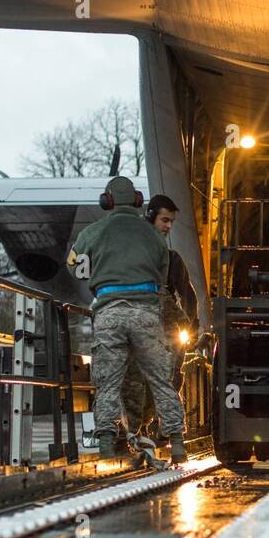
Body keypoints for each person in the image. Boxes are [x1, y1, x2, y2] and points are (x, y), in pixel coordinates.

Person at [68, 177, 186, 463]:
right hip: (145, 312)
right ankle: (177, 443)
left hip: (109, 313)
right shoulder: (155, 236)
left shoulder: (93, 232)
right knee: (160, 379)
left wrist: (100, 279)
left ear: (106, 201)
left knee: (108, 381)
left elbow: (74, 265)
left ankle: (108, 444)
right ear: (136, 200)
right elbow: (161, 278)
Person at [123, 195, 198, 438]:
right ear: (151, 216)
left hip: (165, 331)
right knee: (138, 381)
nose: (168, 226)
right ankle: (140, 428)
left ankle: (152, 427)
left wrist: (191, 326)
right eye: (164, 220)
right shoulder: (134, 255)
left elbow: (187, 294)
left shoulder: (172, 259)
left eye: (171, 222)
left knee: (167, 379)